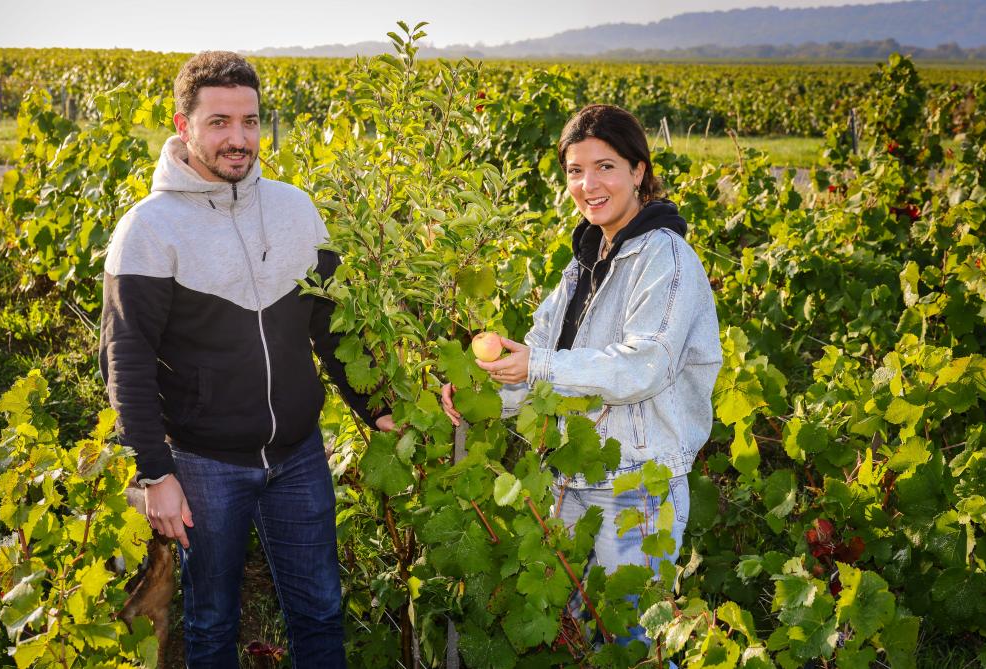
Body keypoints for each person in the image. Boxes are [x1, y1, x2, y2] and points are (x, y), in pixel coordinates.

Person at [99, 51, 394, 668]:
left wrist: (380, 411)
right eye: (219, 122)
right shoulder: (148, 230)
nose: (239, 139)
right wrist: (156, 474)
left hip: (299, 456)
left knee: (320, 610)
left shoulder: (295, 210)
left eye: (251, 121)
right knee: (210, 623)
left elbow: (330, 328)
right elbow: (126, 362)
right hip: (204, 464)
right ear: (183, 126)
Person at [442, 104, 721, 641]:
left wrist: (538, 363)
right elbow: (544, 359)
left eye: (605, 167)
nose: (588, 184)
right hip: (571, 479)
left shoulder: (666, 257)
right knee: (569, 635)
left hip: (639, 486)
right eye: (575, 171)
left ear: (639, 171)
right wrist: (479, 394)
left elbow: (646, 364)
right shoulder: (582, 264)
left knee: (630, 644)